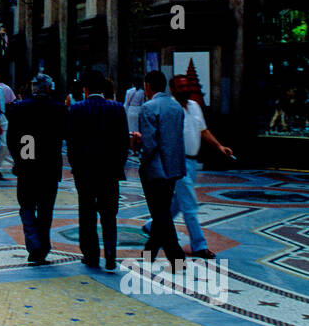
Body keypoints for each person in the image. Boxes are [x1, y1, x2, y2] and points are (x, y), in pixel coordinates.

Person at [140, 76, 235, 259]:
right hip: (175, 162)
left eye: (188, 86)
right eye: (181, 86)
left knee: (172, 206)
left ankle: (151, 231)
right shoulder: (170, 107)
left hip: (190, 163)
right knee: (189, 205)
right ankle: (197, 246)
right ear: (172, 88)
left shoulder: (193, 106)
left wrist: (219, 146)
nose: (186, 89)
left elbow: (203, 130)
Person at [65, 70, 130, 270]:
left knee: (87, 214)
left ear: (85, 89)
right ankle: (110, 254)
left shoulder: (76, 110)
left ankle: (91, 255)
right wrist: (118, 166)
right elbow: (123, 143)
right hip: (109, 172)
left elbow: (72, 144)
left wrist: (75, 167)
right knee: (109, 214)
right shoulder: (117, 109)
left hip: (85, 172)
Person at [6, 72, 66, 264]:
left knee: (26, 206)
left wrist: (18, 157)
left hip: (27, 164)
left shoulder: (19, 108)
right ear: (48, 88)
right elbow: (64, 135)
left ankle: (34, 245)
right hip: (49, 166)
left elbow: (12, 138)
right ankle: (43, 247)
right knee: (46, 209)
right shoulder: (59, 109)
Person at [135, 70, 186, 266]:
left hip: (155, 169)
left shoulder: (148, 107)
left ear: (148, 86)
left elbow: (150, 144)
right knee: (161, 211)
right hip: (173, 167)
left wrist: (141, 158)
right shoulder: (177, 107)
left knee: (160, 214)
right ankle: (149, 253)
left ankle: (177, 257)